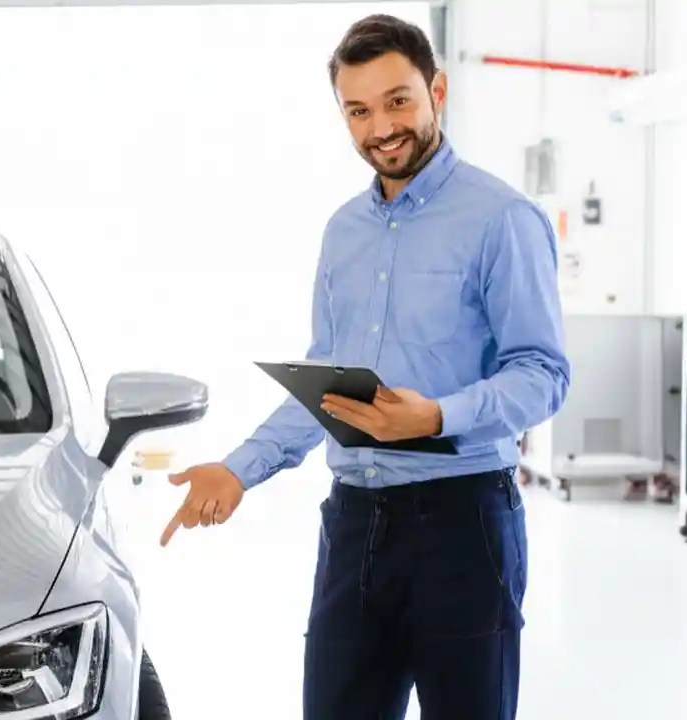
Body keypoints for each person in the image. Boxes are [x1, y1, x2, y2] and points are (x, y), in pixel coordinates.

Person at [158, 14, 570, 720]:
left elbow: (542, 372)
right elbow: (329, 377)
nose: (380, 126)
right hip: (354, 528)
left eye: (398, 101)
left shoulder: (501, 218)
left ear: (437, 90)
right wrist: (239, 468)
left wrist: (438, 415)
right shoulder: (343, 230)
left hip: (462, 525)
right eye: (358, 110)